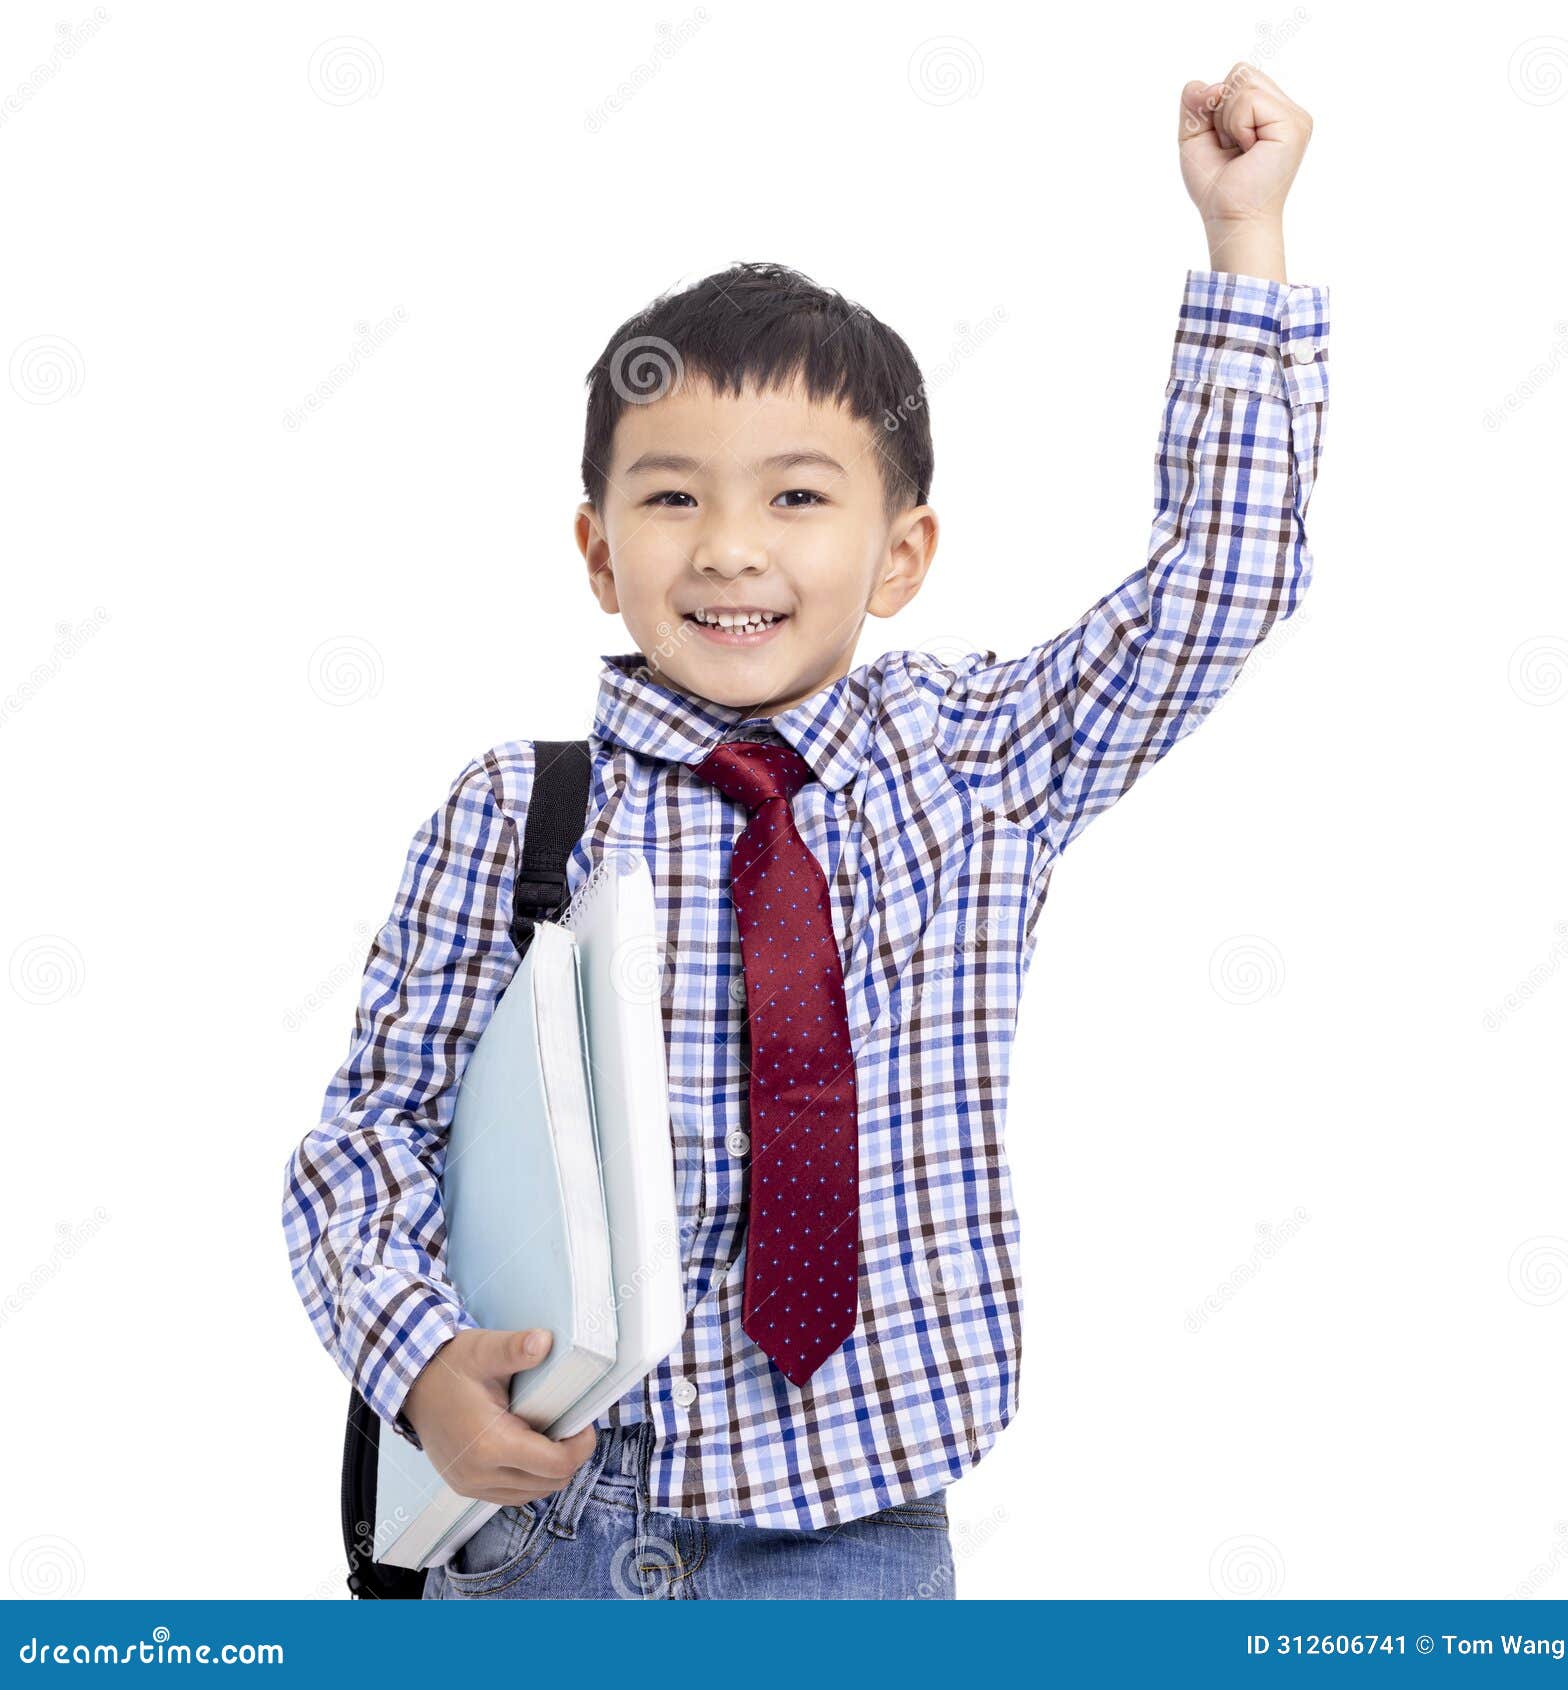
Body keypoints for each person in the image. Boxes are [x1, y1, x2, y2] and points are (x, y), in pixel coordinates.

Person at [282, 63, 1329, 1600]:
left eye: (794, 497)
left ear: (899, 553)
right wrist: (421, 1358)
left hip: (857, 1529)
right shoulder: (517, 809)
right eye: (669, 500)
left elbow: (1220, 584)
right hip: (544, 1518)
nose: (726, 548)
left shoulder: (977, 761)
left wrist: (1245, 240)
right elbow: (363, 1140)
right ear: (596, 550)